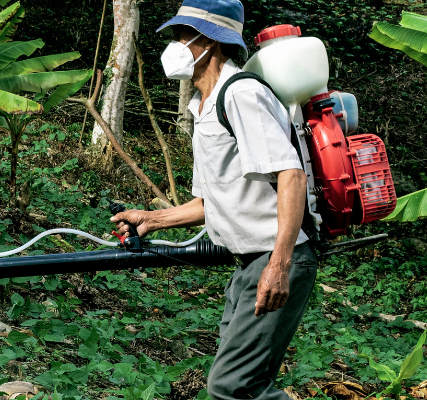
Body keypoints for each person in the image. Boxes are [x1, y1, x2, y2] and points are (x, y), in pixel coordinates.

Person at [109, 0, 318, 398]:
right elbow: (210, 202)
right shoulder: (201, 106)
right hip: (247, 266)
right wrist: (151, 220)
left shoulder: (241, 94)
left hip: (274, 259)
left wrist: (279, 265)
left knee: (232, 385)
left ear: (212, 43)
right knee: (241, 383)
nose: (174, 45)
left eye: (183, 36)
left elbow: (291, 174)